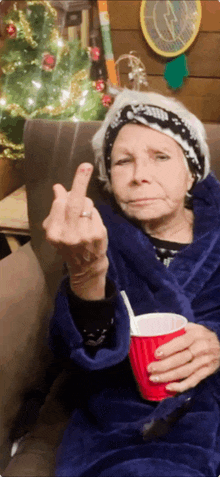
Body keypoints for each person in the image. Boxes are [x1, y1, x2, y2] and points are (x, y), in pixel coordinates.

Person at [43, 90, 220, 477]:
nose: (140, 174)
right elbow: (76, 352)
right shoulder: (94, 238)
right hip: (123, 417)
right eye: (123, 161)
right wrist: (87, 273)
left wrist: (217, 341)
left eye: (160, 157)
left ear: (191, 172)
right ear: (109, 177)